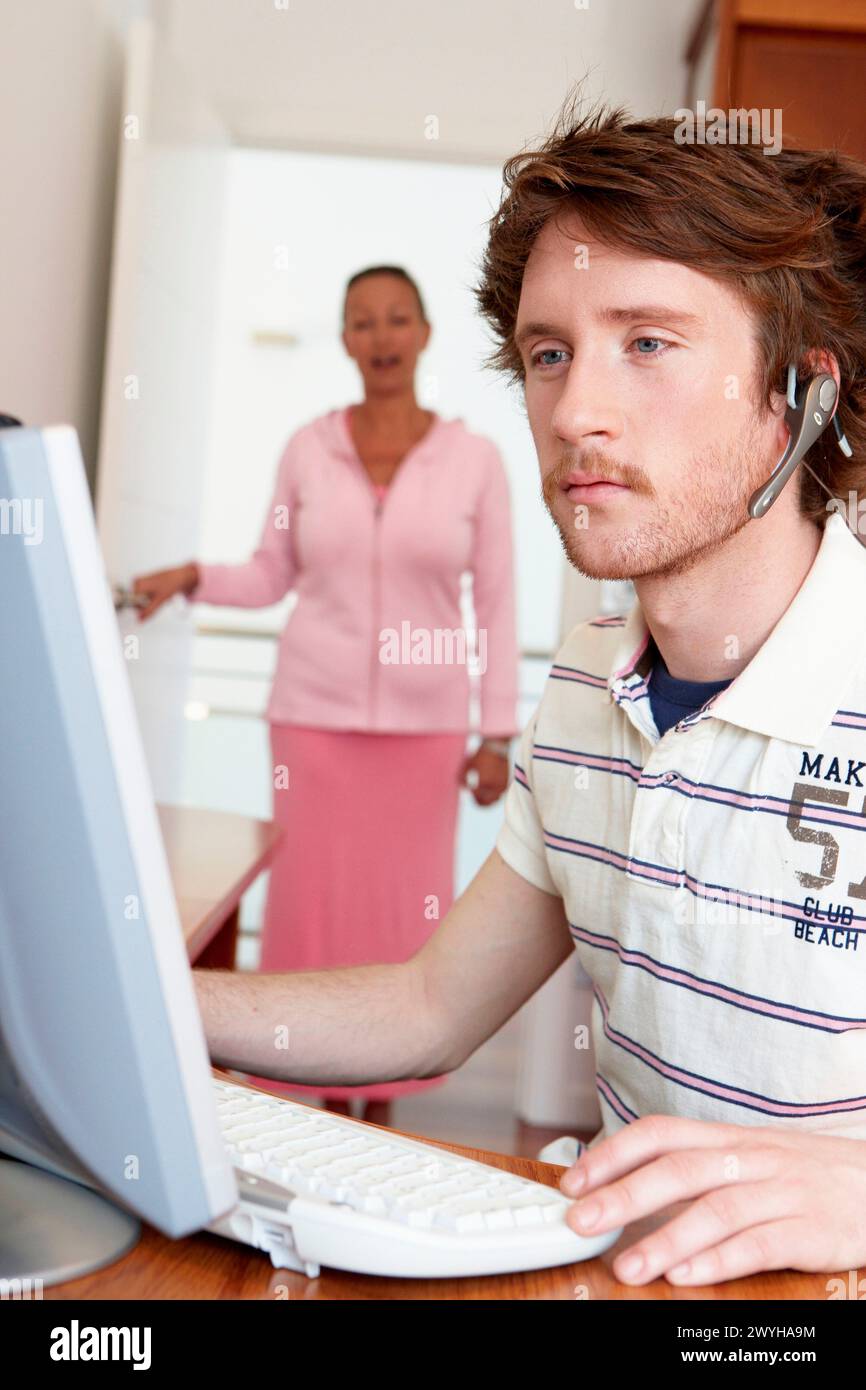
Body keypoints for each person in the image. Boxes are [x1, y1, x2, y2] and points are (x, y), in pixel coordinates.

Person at [193, 96, 866, 1286]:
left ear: (797, 390)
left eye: (646, 342)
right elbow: (427, 1005)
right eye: (549, 352)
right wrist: (132, 1002)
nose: (572, 412)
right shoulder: (582, 694)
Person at [133, 265, 520, 1127]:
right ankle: (298, 1102)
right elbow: (272, 572)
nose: (380, 338)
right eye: (360, 323)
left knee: (402, 923)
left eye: (395, 320)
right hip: (311, 720)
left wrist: (497, 734)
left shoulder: (475, 461)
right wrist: (196, 576)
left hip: (423, 735)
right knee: (310, 910)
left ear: (423, 333)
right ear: (345, 340)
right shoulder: (309, 448)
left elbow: (495, 602)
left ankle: (376, 1108)